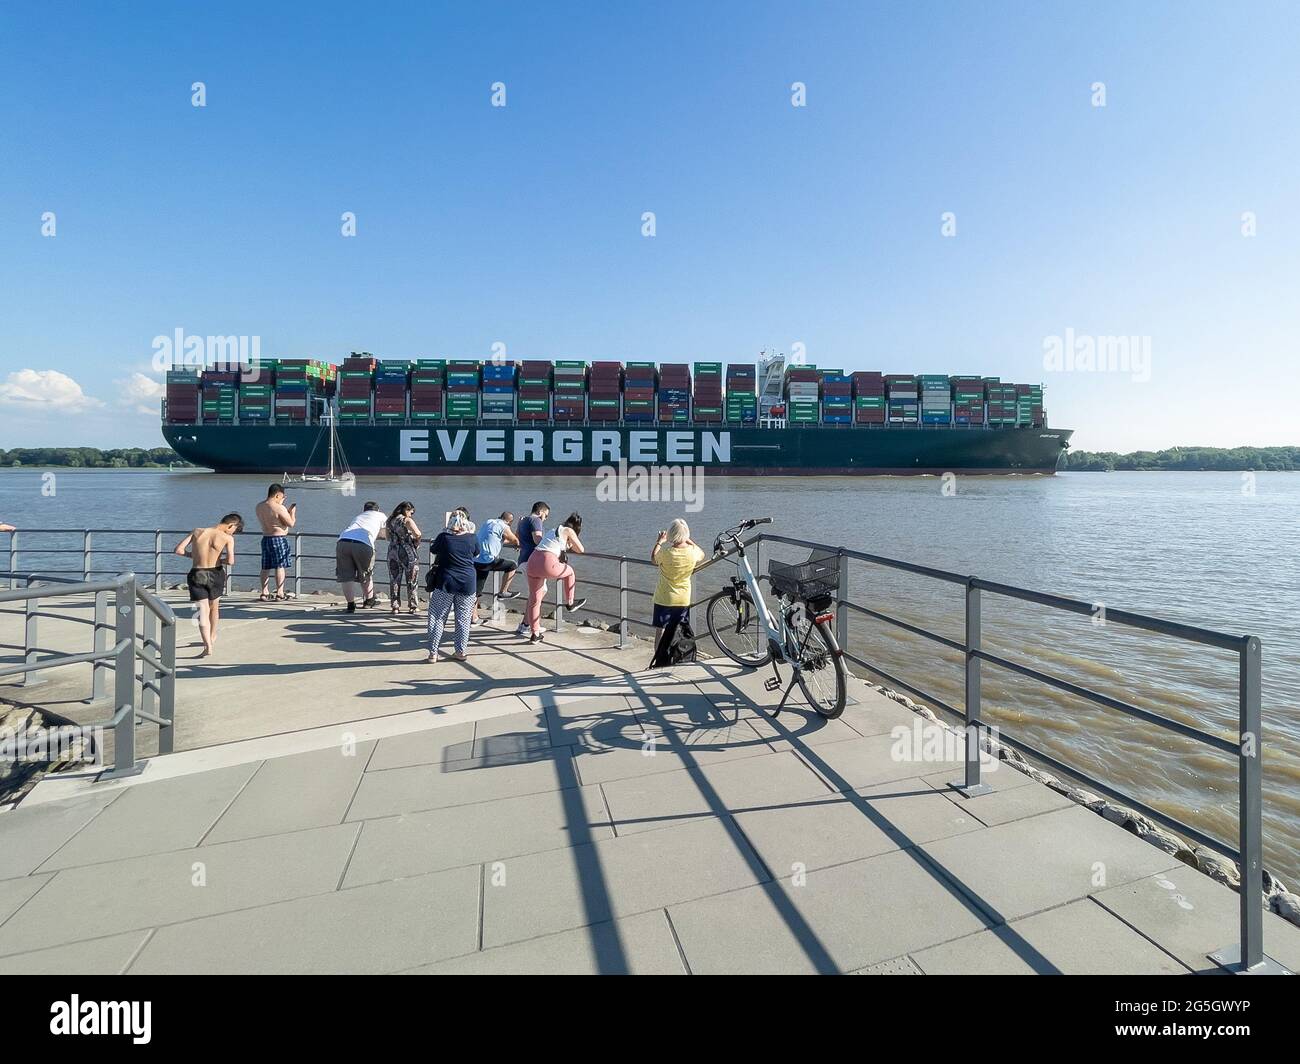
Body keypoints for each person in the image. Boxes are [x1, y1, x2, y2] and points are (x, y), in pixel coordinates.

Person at [174, 513, 243, 657]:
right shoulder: (227, 538)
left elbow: (179, 550)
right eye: (234, 530)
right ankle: (212, 636)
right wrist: (219, 560)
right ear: (231, 525)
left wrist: (192, 555)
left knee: (203, 611)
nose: (233, 533)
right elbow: (231, 561)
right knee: (214, 607)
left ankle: (207, 646)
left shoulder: (197, 531)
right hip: (215, 573)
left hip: (197, 573)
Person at [649, 519, 707, 663]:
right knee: (680, 629)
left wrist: (659, 542)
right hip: (683, 598)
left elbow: (653, 559)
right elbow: (702, 554)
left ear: (670, 534)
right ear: (686, 535)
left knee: (661, 630)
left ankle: (659, 659)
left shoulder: (667, 552)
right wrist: (688, 540)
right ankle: (680, 656)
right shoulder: (692, 553)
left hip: (664, 597)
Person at [426, 509, 479, 662]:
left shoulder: (444, 537)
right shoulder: (472, 537)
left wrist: (445, 531)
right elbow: (476, 553)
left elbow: (433, 549)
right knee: (463, 619)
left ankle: (433, 653)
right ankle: (461, 651)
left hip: (445, 581)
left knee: (437, 617)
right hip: (468, 582)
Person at [524, 512, 586, 643]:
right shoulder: (569, 530)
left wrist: (566, 545)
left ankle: (535, 634)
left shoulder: (553, 530)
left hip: (532, 561)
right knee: (570, 572)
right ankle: (570, 603)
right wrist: (570, 545)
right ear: (577, 527)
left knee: (535, 600)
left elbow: (552, 545)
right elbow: (581, 549)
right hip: (547, 563)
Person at [336, 502, 388, 613]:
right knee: (365, 573)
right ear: (377, 509)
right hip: (363, 544)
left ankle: (350, 605)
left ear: (364, 510)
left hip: (343, 541)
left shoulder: (358, 517)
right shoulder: (381, 515)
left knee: (346, 576)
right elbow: (386, 533)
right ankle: (369, 601)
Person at [473, 510, 520, 623]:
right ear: (509, 522)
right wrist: (517, 542)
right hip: (488, 561)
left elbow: (496, 539)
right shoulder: (503, 526)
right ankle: (503, 592)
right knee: (512, 565)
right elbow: (514, 539)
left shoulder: (489, 522)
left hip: (476, 559)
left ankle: (474, 618)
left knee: (476, 592)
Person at [255, 483, 296, 601]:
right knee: (280, 566)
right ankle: (280, 592)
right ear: (278, 495)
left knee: (265, 567)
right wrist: (292, 513)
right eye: (282, 497)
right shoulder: (279, 507)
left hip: (266, 538)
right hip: (278, 538)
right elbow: (291, 524)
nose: (283, 499)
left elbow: (272, 518)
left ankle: (264, 592)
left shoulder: (259, 506)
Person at [513, 501, 549, 636]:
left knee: (536, 593)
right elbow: (537, 539)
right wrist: (552, 546)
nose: (545, 519)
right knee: (539, 593)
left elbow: (517, 537)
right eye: (546, 515)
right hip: (532, 561)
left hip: (523, 559)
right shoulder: (536, 520)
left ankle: (525, 624)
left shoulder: (523, 521)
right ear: (540, 511)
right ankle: (530, 625)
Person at [385, 501, 423, 614]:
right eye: (411, 512)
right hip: (407, 552)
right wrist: (416, 542)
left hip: (392, 551)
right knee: (412, 579)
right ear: (406, 510)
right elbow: (418, 533)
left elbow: (387, 537)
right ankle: (413, 606)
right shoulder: (406, 520)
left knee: (394, 579)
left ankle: (395, 606)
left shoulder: (389, 520)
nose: (411, 515)